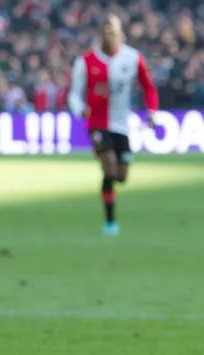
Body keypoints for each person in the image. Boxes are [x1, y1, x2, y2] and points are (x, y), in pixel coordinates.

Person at [68, 15, 159, 236]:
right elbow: (74, 94)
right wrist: (80, 110)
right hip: (97, 123)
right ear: (101, 35)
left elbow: (149, 87)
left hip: (121, 125)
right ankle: (110, 222)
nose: (110, 37)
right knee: (109, 165)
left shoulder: (132, 57)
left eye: (114, 32)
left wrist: (152, 113)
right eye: (106, 33)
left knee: (120, 176)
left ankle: (107, 176)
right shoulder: (86, 61)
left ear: (121, 35)